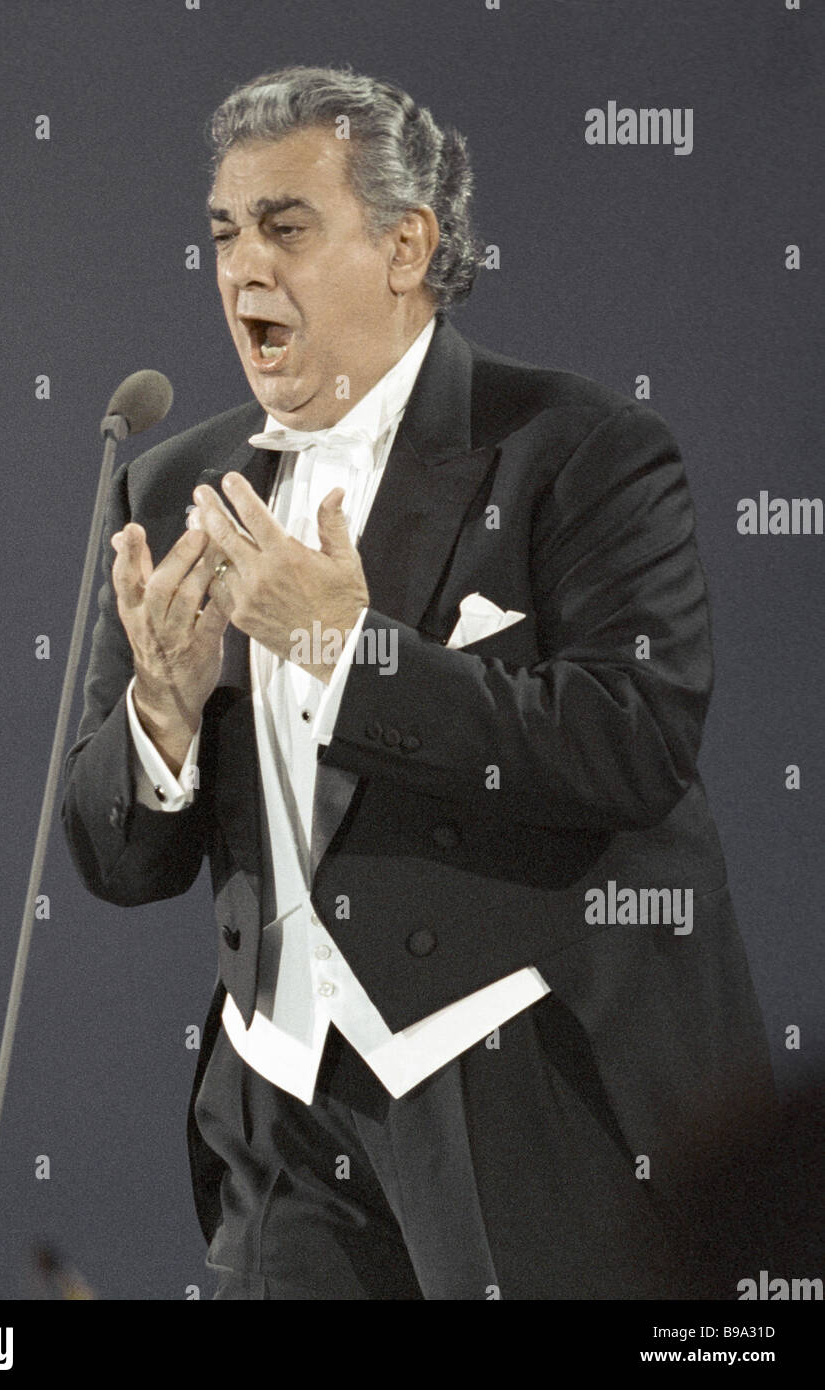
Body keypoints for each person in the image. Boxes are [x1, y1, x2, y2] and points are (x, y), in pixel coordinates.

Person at [61, 66, 779, 1300]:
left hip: (523, 1085)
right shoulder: (170, 482)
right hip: (280, 1103)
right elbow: (118, 856)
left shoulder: (581, 449)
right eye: (224, 233)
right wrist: (160, 719)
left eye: (287, 227)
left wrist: (352, 652)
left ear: (407, 247)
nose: (243, 267)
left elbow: (634, 741)